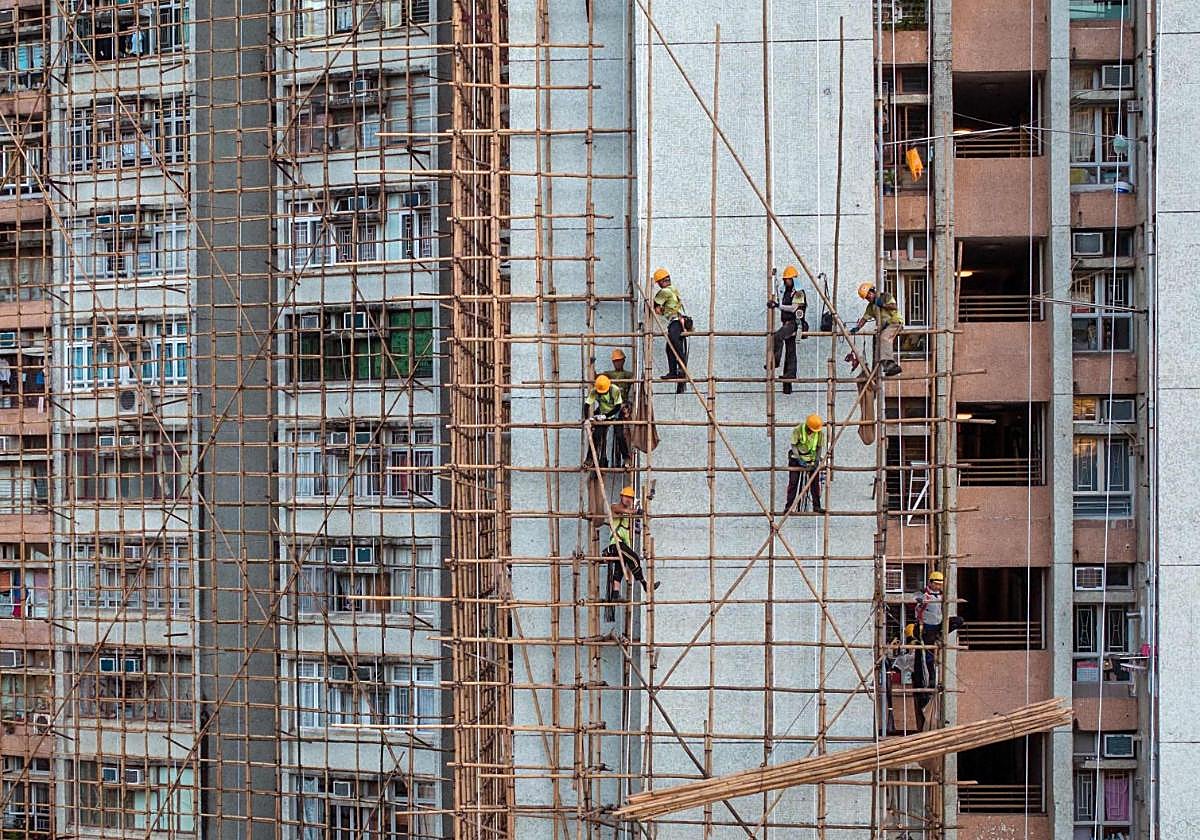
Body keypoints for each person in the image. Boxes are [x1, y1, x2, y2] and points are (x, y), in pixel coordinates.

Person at [602, 485, 656, 620]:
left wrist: (637, 515)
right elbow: (617, 510)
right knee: (634, 558)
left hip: (624, 545)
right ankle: (644, 584)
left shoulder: (629, 512)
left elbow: (634, 524)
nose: (628, 499)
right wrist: (634, 512)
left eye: (630, 498)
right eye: (626, 497)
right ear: (621, 496)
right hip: (616, 544)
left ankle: (615, 594)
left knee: (620, 570)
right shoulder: (615, 506)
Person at [767, 265, 808, 393]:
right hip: (787, 323)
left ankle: (775, 362)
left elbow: (793, 308)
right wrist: (774, 279)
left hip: (795, 322)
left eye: (787, 279)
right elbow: (779, 292)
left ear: (793, 279)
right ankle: (788, 381)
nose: (786, 281)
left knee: (778, 336)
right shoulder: (787, 291)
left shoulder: (799, 292)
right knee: (790, 350)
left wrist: (778, 306)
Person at [850, 282, 904, 377]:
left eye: (869, 295)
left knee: (884, 338)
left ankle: (890, 364)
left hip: (895, 323)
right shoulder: (871, 306)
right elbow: (865, 318)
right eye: (866, 297)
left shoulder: (885, 296)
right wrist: (857, 327)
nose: (868, 298)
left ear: (873, 291)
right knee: (878, 346)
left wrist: (882, 304)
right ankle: (888, 366)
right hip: (885, 327)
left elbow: (894, 306)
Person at [652, 268, 688, 388]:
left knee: (674, 341)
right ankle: (673, 372)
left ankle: (682, 369)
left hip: (676, 322)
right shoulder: (673, 289)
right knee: (670, 348)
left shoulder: (665, 291)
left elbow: (655, 303)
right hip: (678, 321)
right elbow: (665, 308)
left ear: (661, 282)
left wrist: (656, 307)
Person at [784, 413, 825, 514]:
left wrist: (816, 460)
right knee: (793, 483)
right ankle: (788, 507)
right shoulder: (798, 430)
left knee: (815, 484)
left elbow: (819, 447)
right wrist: (799, 459)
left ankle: (817, 506)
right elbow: (793, 446)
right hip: (797, 457)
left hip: (811, 458)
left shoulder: (819, 433)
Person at [583, 374, 626, 469]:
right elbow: (586, 405)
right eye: (600, 392)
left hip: (616, 413)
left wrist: (605, 416)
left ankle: (627, 458)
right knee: (596, 435)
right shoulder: (594, 391)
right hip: (603, 414)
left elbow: (618, 406)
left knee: (620, 435)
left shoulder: (615, 390)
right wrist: (587, 419)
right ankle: (589, 459)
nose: (602, 394)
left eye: (604, 392)